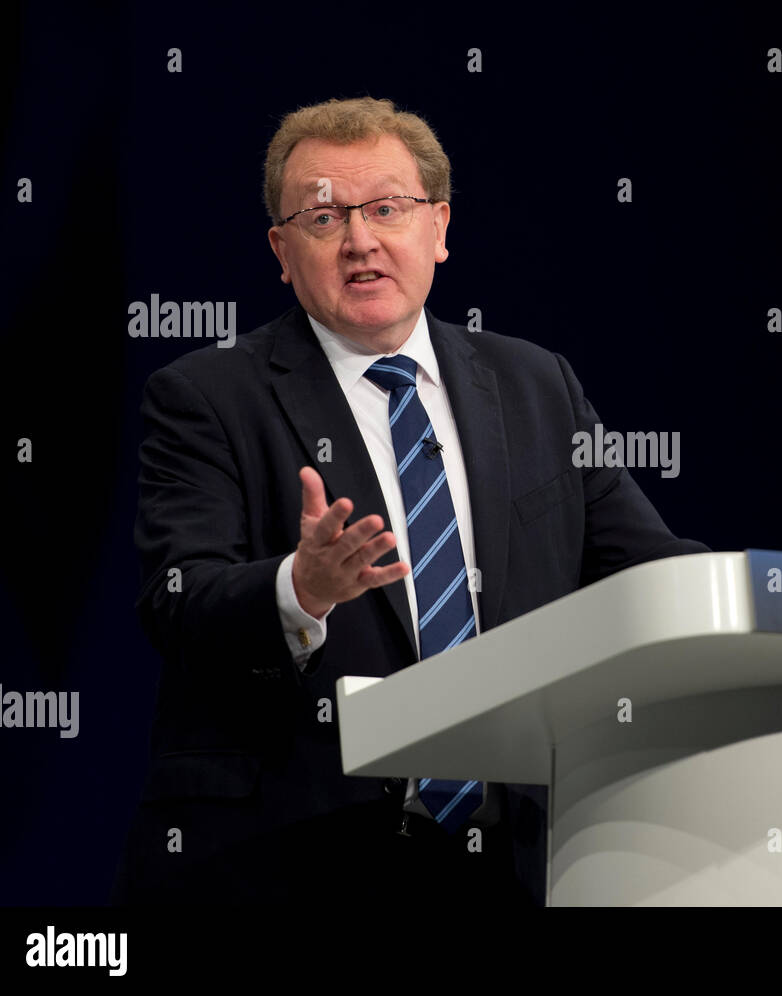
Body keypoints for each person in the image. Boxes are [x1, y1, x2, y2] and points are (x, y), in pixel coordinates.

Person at [110, 96, 707, 906]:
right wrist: (300, 589)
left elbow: (651, 575)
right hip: (289, 859)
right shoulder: (207, 396)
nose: (360, 240)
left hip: (508, 860)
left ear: (439, 227)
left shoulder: (537, 387)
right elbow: (177, 603)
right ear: (282, 253)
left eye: (387, 208)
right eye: (324, 219)